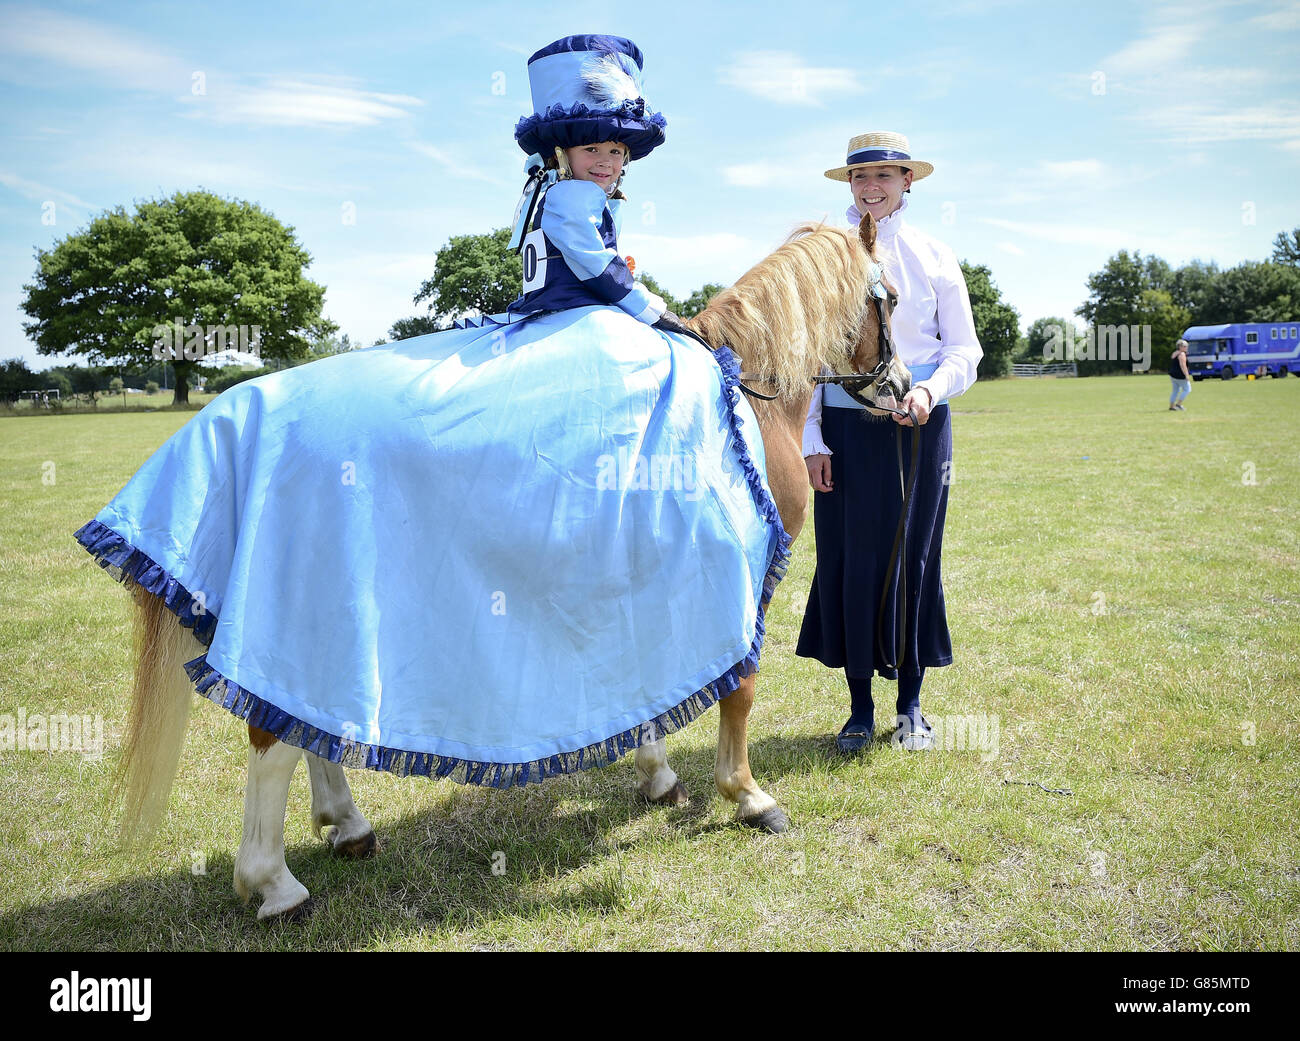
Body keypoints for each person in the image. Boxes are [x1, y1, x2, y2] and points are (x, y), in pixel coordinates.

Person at [73, 34, 786, 788]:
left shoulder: (550, 193)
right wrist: (659, 312)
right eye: (593, 148)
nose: (608, 161)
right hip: (583, 322)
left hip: (546, 316)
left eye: (617, 150)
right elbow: (602, 275)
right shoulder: (576, 200)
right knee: (673, 373)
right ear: (564, 152)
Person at [797, 131, 982, 753]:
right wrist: (812, 437)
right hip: (844, 430)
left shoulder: (934, 254)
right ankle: (857, 710)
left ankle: (911, 707)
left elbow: (965, 350)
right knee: (849, 561)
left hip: (919, 425)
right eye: (859, 178)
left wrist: (929, 393)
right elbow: (808, 358)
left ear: (908, 181)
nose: (870, 187)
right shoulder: (825, 255)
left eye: (883, 176)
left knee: (912, 559)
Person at [1168, 339, 1191, 410]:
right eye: (1185, 346)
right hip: (1180, 376)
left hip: (1173, 375)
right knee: (1187, 389)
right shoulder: (1182, 354)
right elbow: (1183, 366)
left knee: (1175, 391)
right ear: (1180, 347)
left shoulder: (1175, 353)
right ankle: (1178, 404)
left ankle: (1171, 406)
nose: (1186, 347)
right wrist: (1187, 375)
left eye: (1187, 346)